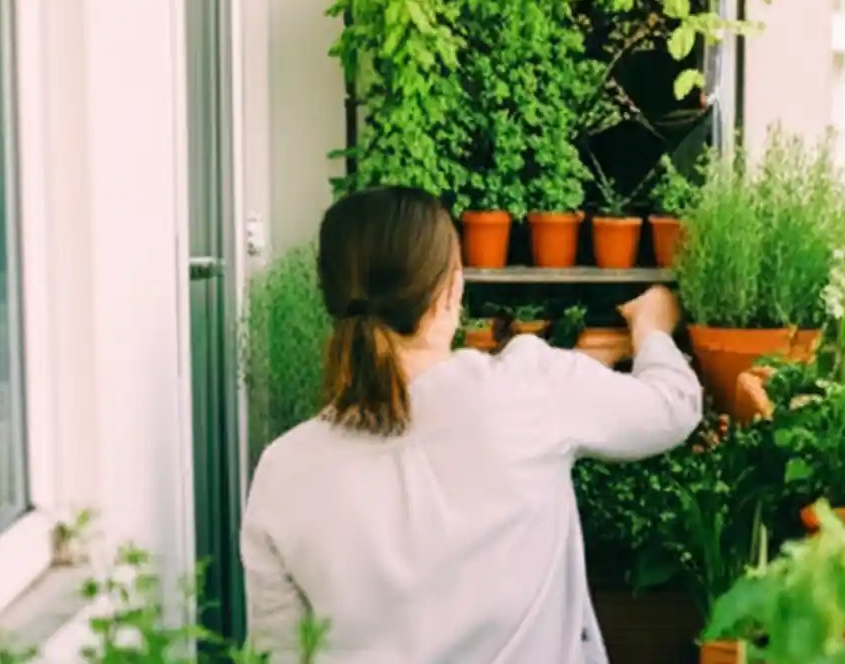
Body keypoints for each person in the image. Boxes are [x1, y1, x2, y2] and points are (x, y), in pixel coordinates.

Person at [241, 186, 701, 663]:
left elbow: (278, 655)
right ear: (451, 289)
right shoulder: (531, 390)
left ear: (331, 297)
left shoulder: (284, 471)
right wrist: (652, 328)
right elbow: (674, 406)